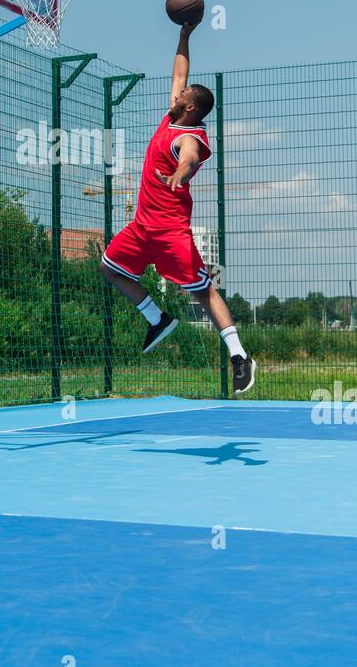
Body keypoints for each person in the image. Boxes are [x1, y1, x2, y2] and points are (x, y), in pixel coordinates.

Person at [100, 19, 256, 395]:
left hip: (170, 233)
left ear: (189, 106)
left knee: (204, 292)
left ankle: (239, 356)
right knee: (110, 269)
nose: (177, 91)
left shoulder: (189, 136)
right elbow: (180, 69)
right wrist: (185, 34)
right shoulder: (172, 117)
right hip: (141, 228)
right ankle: (157, 319)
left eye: (182, 93)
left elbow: (188, 157)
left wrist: (182, 173)